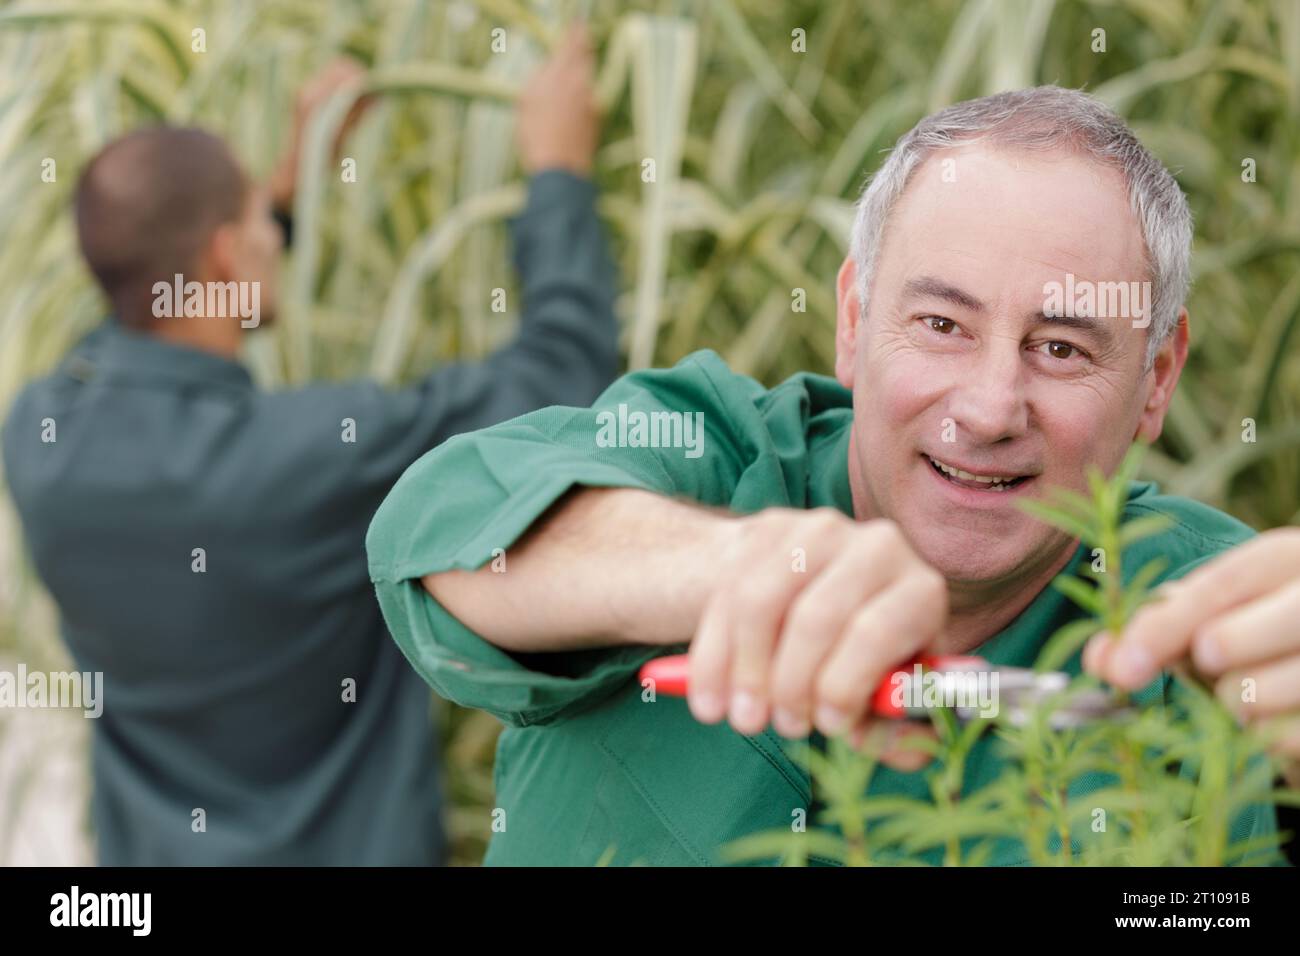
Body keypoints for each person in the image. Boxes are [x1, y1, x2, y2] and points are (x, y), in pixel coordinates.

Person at [365, 85, 1295, 866]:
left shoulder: (1220, 619)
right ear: (853, 318)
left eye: (1059, 348)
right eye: (941, 325)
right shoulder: (705, 455)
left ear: (1157, 379)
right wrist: (737, 575)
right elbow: (439, 538)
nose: (987, 407)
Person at [1, 26, 618, 865]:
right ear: (225, 252)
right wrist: (557, 171)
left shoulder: (38, 435)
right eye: (259, 218)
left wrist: (277, 199)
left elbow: (136, 299)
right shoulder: (320, 457)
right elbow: (562, 377)